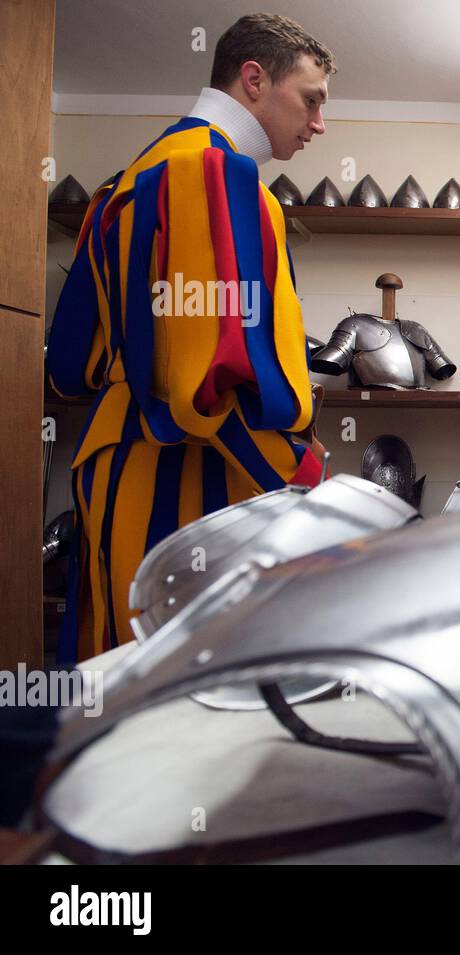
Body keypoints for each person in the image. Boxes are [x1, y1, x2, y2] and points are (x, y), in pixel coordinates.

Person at [45, 14, 334, 661]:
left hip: (117, 466)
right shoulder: (216, 175)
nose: (319, 125)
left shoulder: (122, 184)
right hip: (188, 476)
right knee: (186, 700)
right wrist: (309, 479)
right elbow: (205, 388)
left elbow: (69, 366)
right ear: (254, 79)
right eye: (310, 101)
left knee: (120, 682)